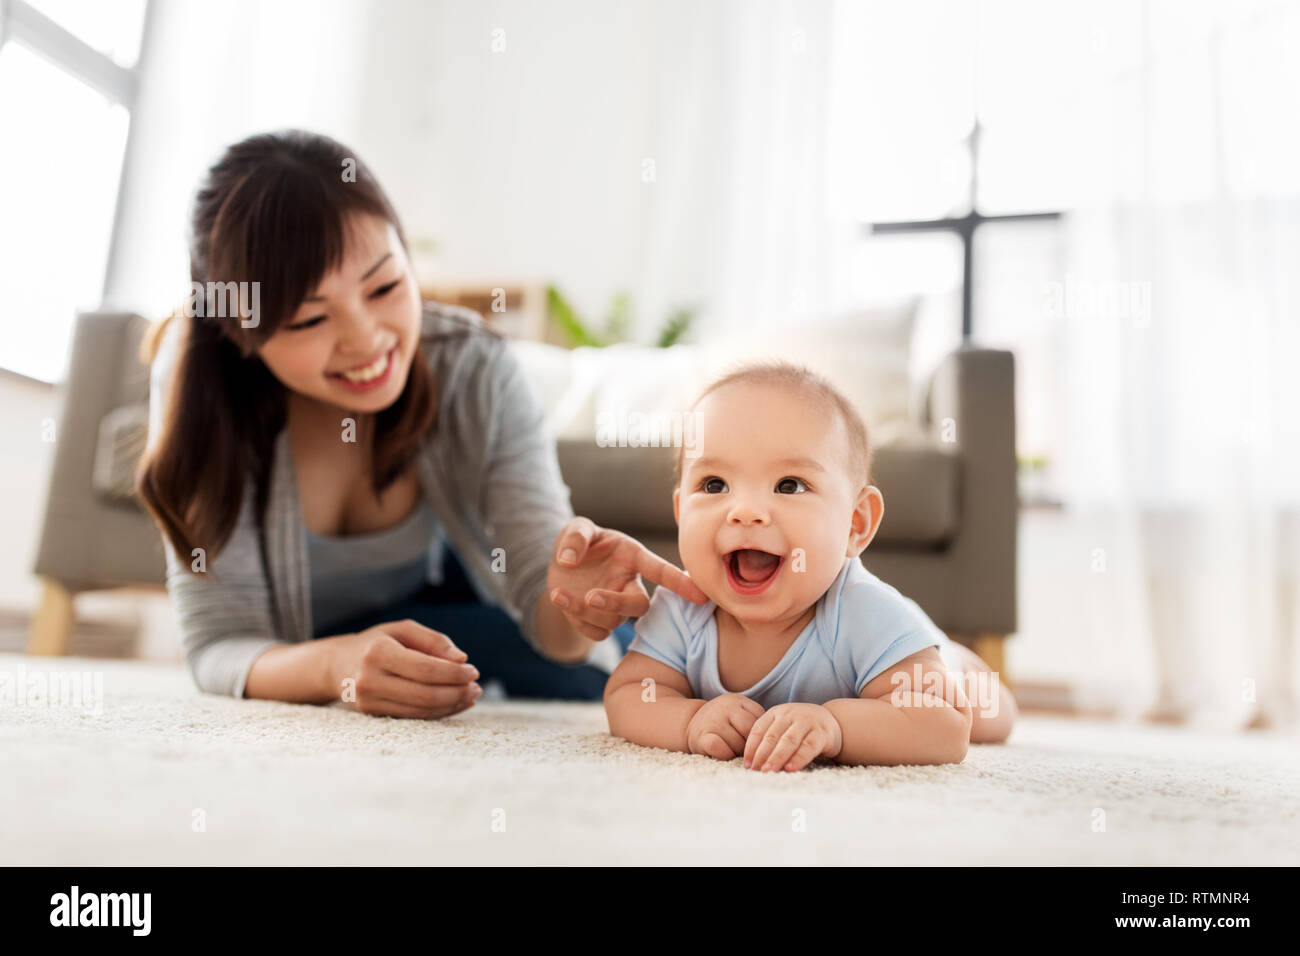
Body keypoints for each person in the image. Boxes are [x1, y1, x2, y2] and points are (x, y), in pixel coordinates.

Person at [136, 129, 706, 718]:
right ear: (238, 330)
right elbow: (218, 646)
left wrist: (575, 602)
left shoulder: (473, 368)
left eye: (384, 286)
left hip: (451, 606)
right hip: (316, 642)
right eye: (309, 320)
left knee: (608, 664)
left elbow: (547, 605)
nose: (366, 339)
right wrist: (336, 665)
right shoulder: (203, 390)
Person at [604, 361, 1018, 769]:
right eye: (714, 485)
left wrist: (836, 726)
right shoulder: (683, 605)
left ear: (856, 523)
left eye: (789, 485)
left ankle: (956, 657)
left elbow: (944, 726)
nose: (745, 512)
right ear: (680, 511)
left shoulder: (863, 612)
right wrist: (689, 721)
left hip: (913, 651)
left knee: (989, 715)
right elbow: (629, 694)